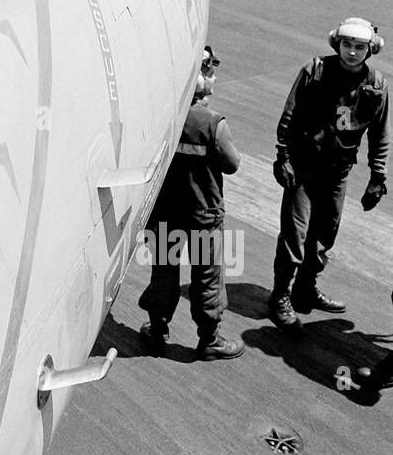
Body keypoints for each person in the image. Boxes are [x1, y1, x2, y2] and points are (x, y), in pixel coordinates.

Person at [269, 18, 389, 329]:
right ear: (337, 44)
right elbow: (290, 113)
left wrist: (378, 176)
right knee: (294, 235)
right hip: (304, 168)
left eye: (359, 47)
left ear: (370, 49)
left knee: (325, 234)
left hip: (338, 172)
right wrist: (283, 156)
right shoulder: (315, 70)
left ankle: (305, 289)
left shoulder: (376, 84)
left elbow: (380, 133)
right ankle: (280, 296)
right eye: (347, 45)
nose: (352, 52)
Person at [139, 44, 245, 361]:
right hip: (202, 218)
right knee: (207, 279)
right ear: (202, 78)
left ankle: (157, 330)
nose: (213, 75)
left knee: (164, 274)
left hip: (164, 215)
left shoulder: (162, 114)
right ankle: (209, 340)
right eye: (210, 69)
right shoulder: (213, 123)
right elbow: (232, 164)